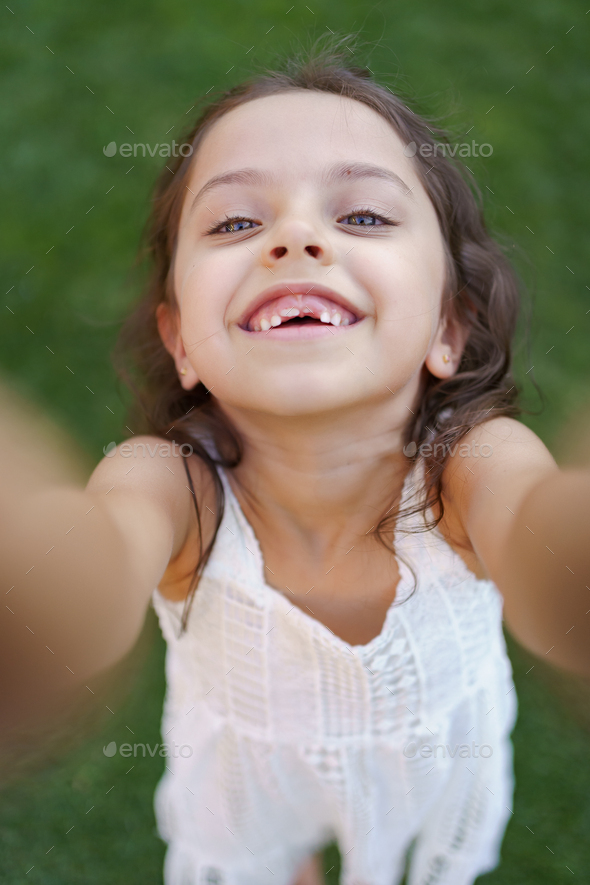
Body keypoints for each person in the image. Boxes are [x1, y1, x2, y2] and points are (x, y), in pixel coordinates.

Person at [3, 40, 590, 885]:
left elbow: (545, 538)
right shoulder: (170, 484)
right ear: (181, 344)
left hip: (429, 757)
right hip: (245, 763)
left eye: (363, 216)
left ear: (446, 328)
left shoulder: (474, 465)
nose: (297, 237)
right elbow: (88, 565)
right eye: (236, 222)